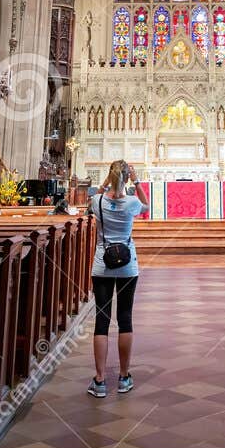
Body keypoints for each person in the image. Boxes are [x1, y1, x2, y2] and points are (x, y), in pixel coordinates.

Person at [88, 159, 145, 398]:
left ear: (110, 177)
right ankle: (123, 376)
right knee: (125, 318)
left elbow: (94, 200)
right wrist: (137, 181)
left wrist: (104, 184)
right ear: (127, 177)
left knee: (102, 321)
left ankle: (100, 380)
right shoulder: (132, 202)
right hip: (127, 265)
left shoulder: (97, 200)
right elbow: (146, 204)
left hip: (102, 264)